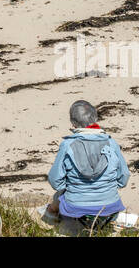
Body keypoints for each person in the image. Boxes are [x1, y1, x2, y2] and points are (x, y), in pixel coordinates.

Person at [45, 100, 130, 233]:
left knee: (59, 194)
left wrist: (72, 188)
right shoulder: (111, 143)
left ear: (73, 123)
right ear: (95, 118)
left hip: (75, 208)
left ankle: (50, 216)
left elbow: (55, 180)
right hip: (110, 207)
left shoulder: (67, 145)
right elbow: (124, 178)